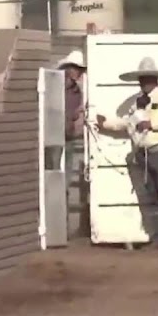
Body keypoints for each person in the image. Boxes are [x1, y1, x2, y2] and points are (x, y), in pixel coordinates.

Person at [95, 57, 158, 251]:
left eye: (147, 78)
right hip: (146, 152)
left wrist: (152, 124)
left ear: (155, 79)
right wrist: (105, 124)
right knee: (153, 194)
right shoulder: (138, 103)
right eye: (142, 79)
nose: (144, 82)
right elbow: (128, 122)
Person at [57, 50, 89, 236]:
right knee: (57, 181)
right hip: (55, 140)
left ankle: (63, 227)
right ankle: (59, 226)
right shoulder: (59, 88)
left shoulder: (76, 92)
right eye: (77, 69)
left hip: (66, 139)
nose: (79, 73)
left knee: (65, 182)